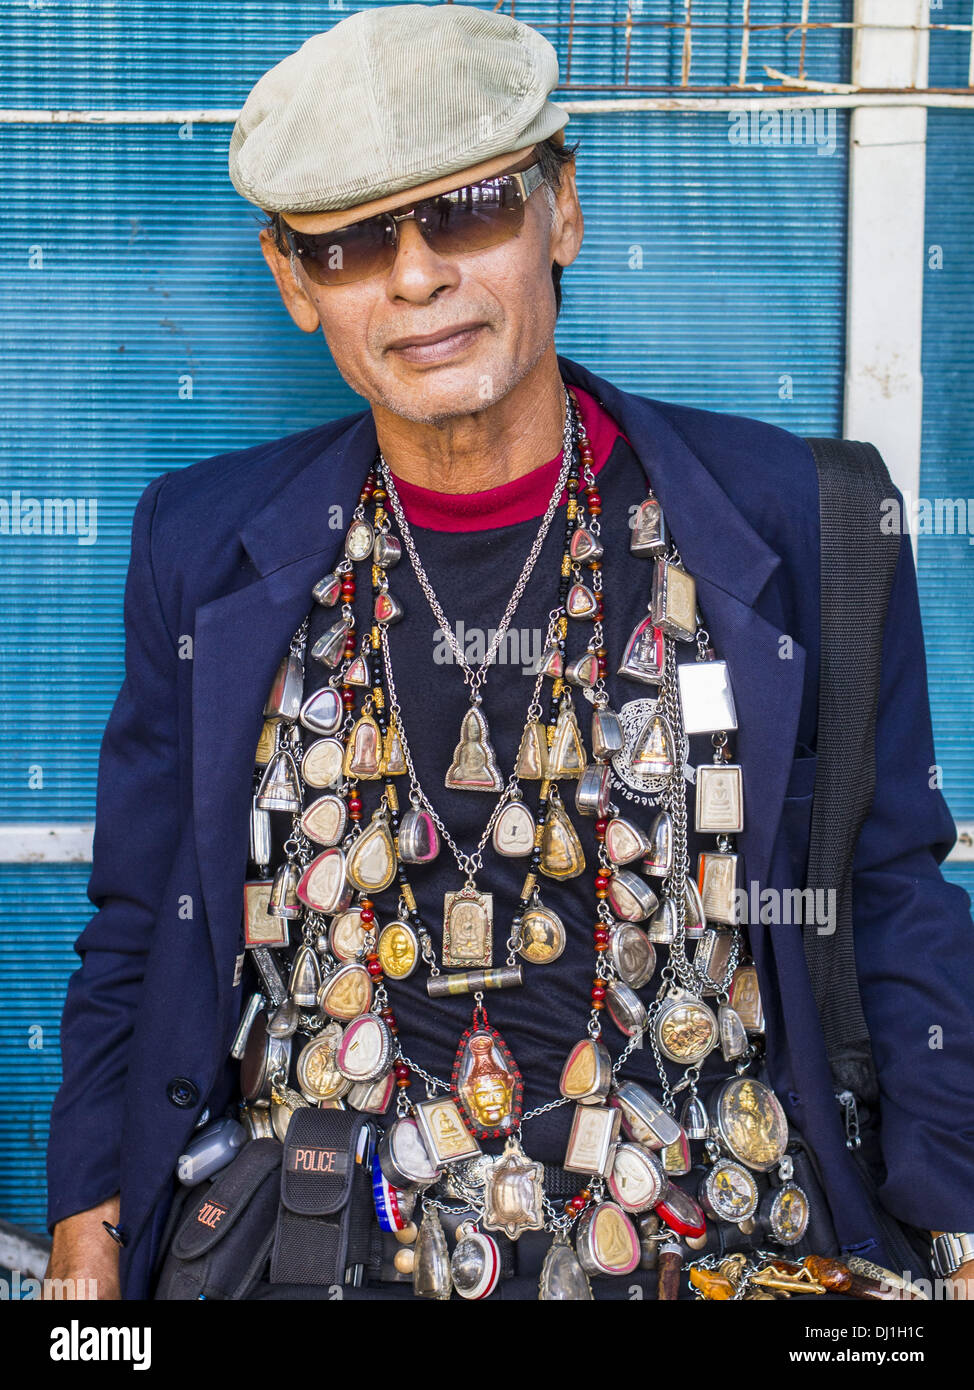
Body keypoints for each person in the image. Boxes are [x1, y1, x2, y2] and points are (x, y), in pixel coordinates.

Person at [45, 4, 974, 1301]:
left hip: (717, 1243)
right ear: (292, 280)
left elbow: (886, 892)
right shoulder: (204, 550)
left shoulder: (799, 520)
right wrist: (88, 1228)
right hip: (323, 1240)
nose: (416, 275)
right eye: (354, 241)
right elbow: (141, 918)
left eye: (468, 209)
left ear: (561, 212)